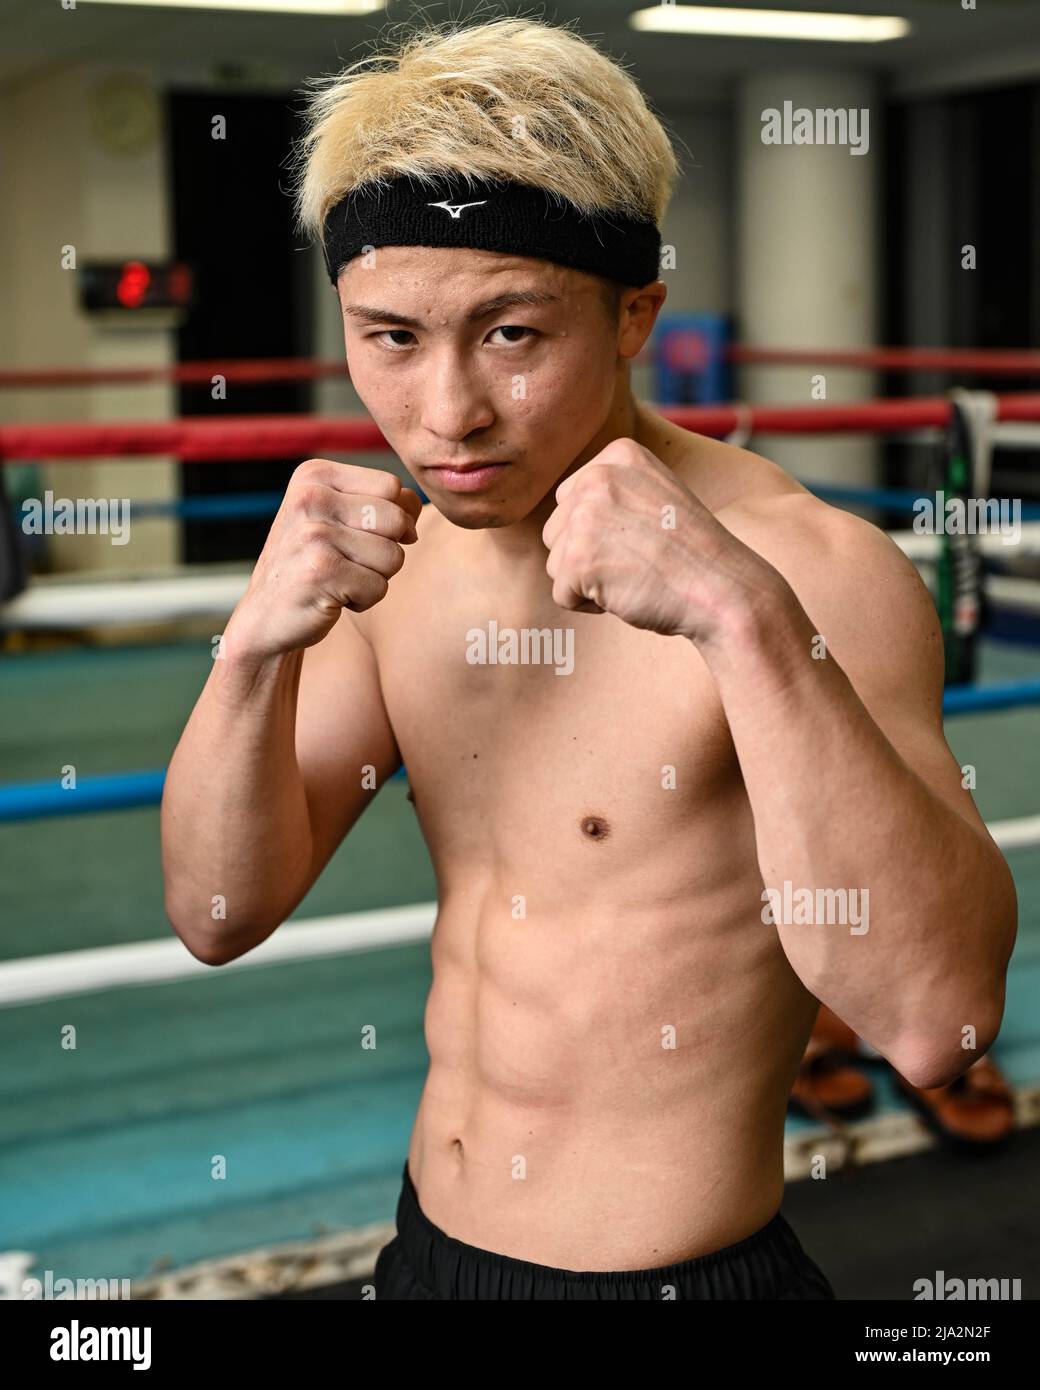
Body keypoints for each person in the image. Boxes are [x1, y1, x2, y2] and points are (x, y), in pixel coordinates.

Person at [161, 15, 1017, 1299]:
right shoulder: (399, 565)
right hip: (429, 1250)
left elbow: (936, 1022)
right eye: (390, 336)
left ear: (634, 315)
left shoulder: (810, 565)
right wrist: (251, 652)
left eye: (512, 334)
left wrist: (748, 625)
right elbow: (217, 913)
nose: (446, 413)